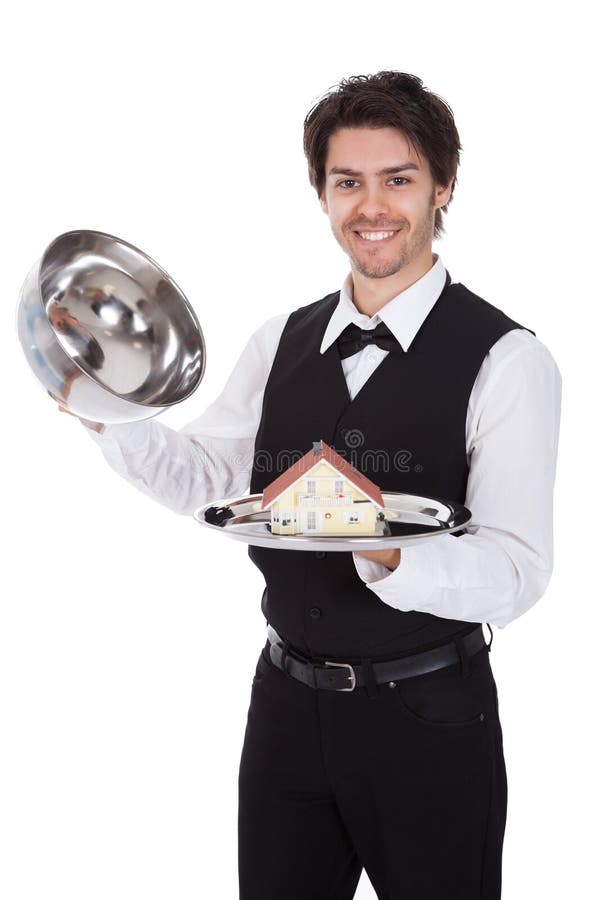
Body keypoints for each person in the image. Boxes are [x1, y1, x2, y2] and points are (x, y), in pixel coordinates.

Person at [77, 72, 562, 899]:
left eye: (397, 179)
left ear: (443, 186)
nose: (371, 207)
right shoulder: (281, 340)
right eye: (347, 182)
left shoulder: (508, 360)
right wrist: (108, 409)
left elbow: (517, 571)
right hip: (285, 705)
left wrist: (385, 550)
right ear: (322, 193)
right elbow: (212, 481)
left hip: (427, 714)